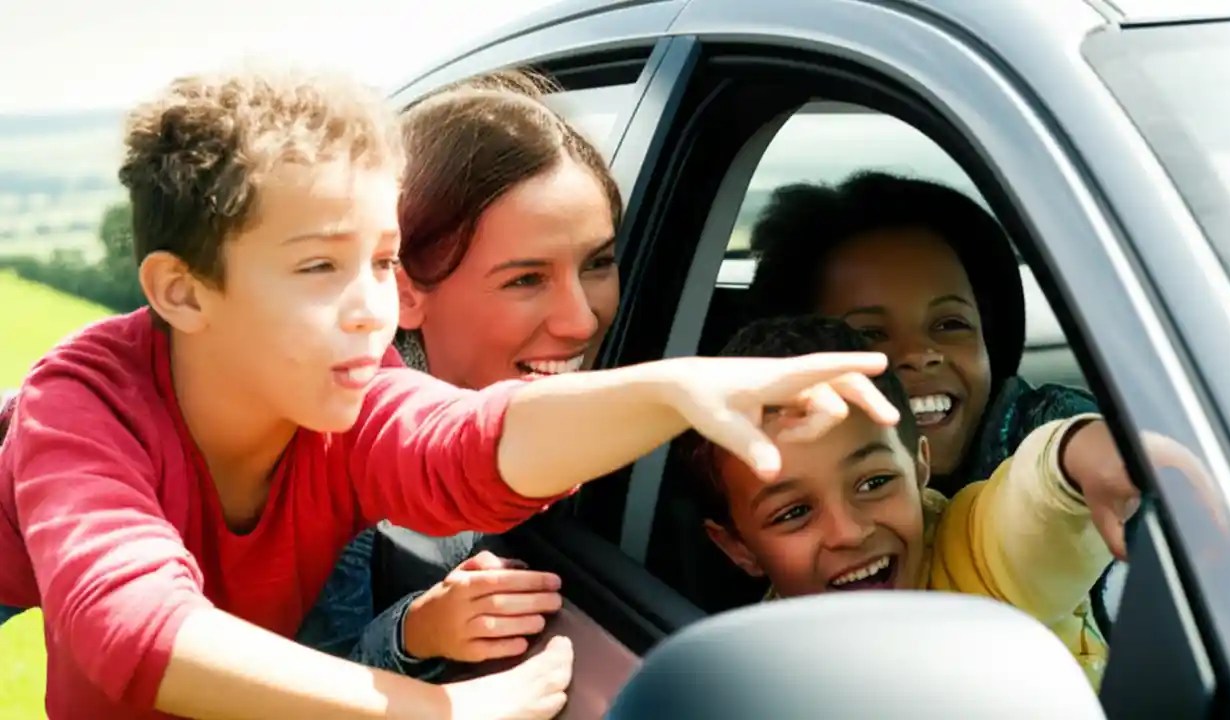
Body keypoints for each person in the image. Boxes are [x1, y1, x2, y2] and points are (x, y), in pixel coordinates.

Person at [0, 66, 898, 720]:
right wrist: (440, 715)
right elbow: (129, 626)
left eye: (383, 262)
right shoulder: (81, 407)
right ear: (182, 292)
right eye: (320, 267)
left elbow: (470, 446)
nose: (371, 311)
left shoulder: (353, 399)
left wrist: (675, 389)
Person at [300, 69, 625, 679]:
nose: (582, 321)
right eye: (526, 279)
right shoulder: (336, 466)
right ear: (406, 293)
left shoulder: (670, 423)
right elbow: (305, 689)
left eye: (600, 263)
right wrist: (416, 630)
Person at [684, 315, 1140, 691]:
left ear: (920, 468)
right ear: (738, 547)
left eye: (875, 482)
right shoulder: (758, 669)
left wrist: (1078, 455)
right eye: (794, 513)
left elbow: (1030, 508)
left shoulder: (969, 560)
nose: (850, 531)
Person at [746, 170, 1098, 498]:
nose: (919, 354)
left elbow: (1073, 446)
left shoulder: (1039, 433)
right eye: (869, 334)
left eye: (950, 324)